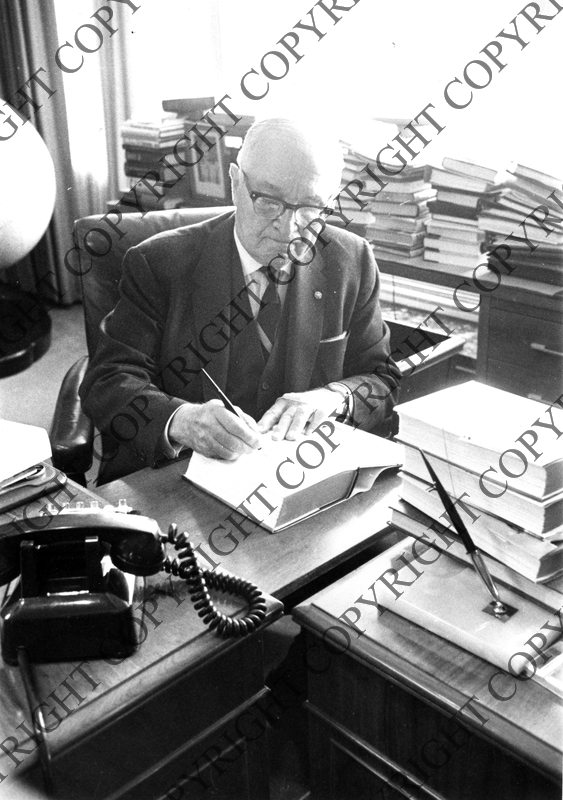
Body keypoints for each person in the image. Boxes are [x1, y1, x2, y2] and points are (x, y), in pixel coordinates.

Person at [80, 118, 401, 483]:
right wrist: (181, 421)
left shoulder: (351, 259)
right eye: (268, 202)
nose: (289, 228)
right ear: (235, 183)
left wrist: (333, 397)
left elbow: (381, 378)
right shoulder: (158, 264)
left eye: (312, 208)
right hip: (181, 482)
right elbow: (107, 380)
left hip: (298, 480)